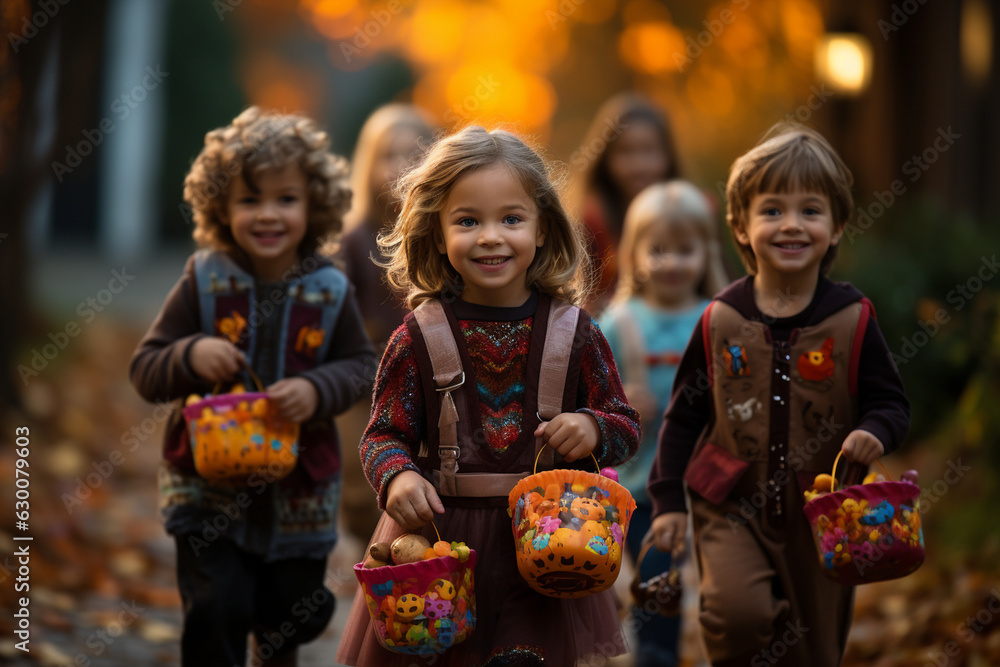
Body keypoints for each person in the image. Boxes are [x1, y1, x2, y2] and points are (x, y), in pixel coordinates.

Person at [335, 125, 642, 666]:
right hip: (442, 541)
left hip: (548, 543)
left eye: (511, 218)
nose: (490, 236)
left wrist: (594, 427)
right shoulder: (417, 337)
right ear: (437, 231)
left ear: (543, 228)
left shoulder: (576, 332)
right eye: (468, 221)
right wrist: (398, 474)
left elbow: (622, 423)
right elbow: (383, 434)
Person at [647, 124, 910, 666]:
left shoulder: (851, 319)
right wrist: (669, 503)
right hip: (728, 504)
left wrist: (873, 431)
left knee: (811, 648)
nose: (791, 225)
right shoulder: (721, 318)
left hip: (826, 512)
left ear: (837, 226)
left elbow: (892, 403)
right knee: (735, 616)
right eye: (772, 211)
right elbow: (683, 416)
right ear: (740, 227)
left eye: (810, 211)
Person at [129, 107, 377, 667]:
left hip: (299, 491)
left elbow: (361, 366)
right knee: (217, 607)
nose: (268, 215)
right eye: (249, 200)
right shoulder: (205, 278)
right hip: (204, 488)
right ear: (220, 206)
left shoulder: (330, 288)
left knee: (291, 613)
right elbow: (146, 368)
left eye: (285, 199)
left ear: (315, 204)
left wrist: (316, 389)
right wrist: (191, 353)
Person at [598, 180, 728, 666]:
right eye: (658, 250)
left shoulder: (717, 318)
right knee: (648, 575)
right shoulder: (618, 322)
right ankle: (649, 650)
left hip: (708, 484)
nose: (671, 262)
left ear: (706, 252)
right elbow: (587, 392)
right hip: (637, 486)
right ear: (633, 253)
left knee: (689, 582)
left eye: (685, 250)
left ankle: (681, 653)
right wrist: (618, 402)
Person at [334, 103, 435, 542]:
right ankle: (372, 549)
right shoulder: (353, 242)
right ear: (369, 163)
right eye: (388, 156)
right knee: (361, 490)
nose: (399, 168)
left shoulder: (441, 237)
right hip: (364, 382)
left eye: (413, 156)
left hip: (431, 378)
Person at [573, 93, 682, 313]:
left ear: (668, 155)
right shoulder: (592, 220)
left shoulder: (690, 211)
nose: (639, 165)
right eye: (626, 152)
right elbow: (583, 295)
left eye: (649, 151)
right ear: (605, 159)